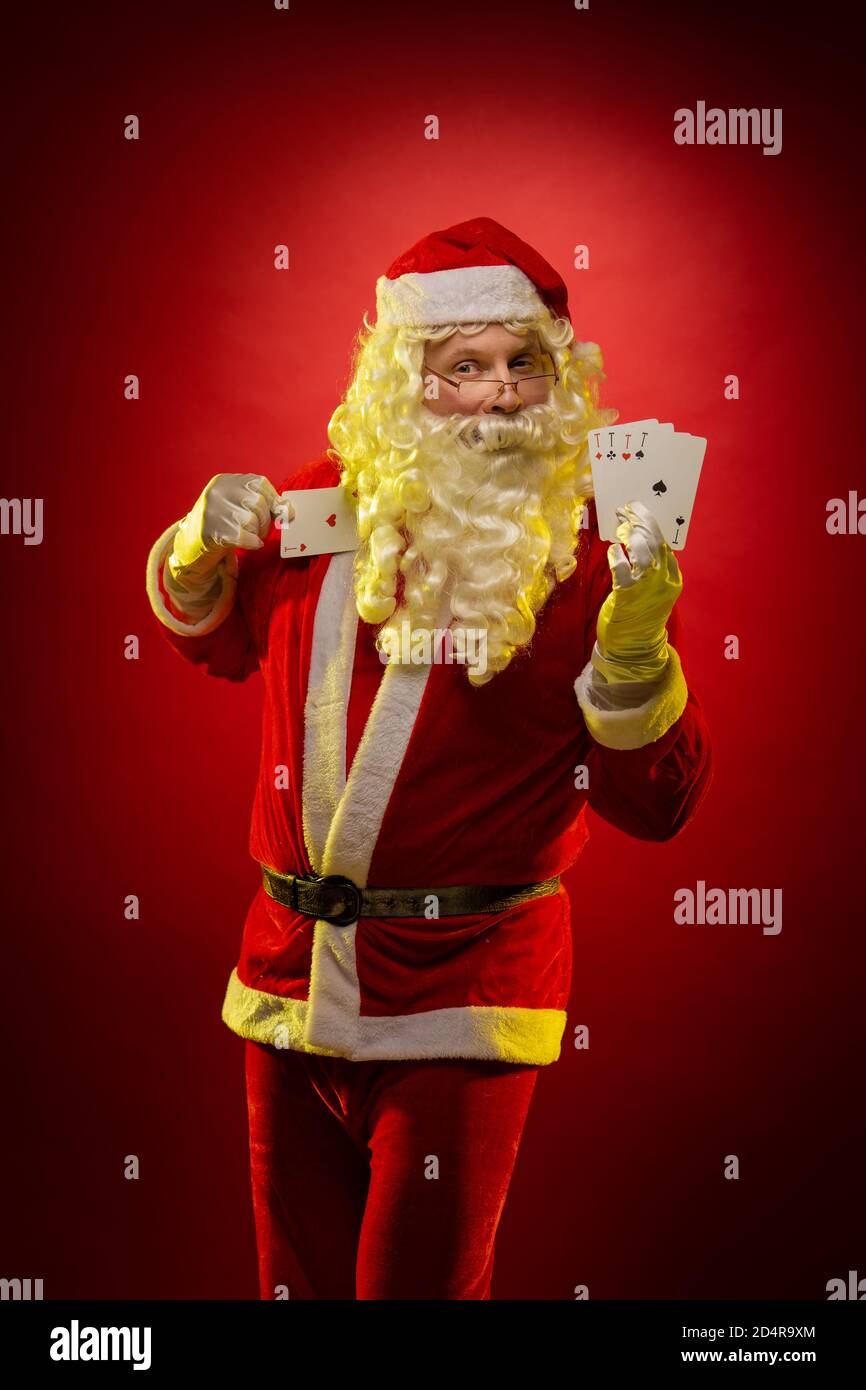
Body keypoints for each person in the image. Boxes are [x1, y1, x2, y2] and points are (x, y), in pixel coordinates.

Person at [145, 216, 713, 1300]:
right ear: (408, 383)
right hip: (286, 975)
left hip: (465, 987)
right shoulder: (318, 502)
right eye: (464, 368)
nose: (498, 396)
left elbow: (656, 803)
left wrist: (636, 642)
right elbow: (210, 637)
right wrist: (195, 541)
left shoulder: (605, 547)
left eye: (522, 368)